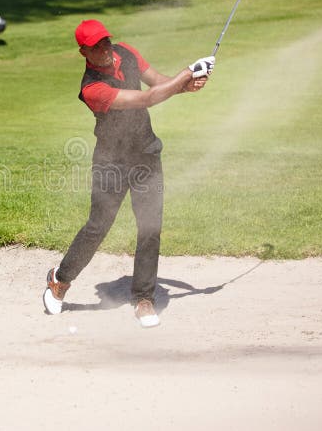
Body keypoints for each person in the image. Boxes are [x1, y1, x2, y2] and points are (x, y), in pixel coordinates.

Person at [42, 19, 213, 327]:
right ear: (84, 51)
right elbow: (147, 99)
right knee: (98, 226)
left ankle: (144, 298)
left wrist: (186, 85)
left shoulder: (128, 53)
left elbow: (158, 81)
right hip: (112, 162)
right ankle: (60, 279)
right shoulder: (92, 88)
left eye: (106, 41)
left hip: (146, 153)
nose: (105, 49)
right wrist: (188, 72)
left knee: (150, 228)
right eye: (97, 46)